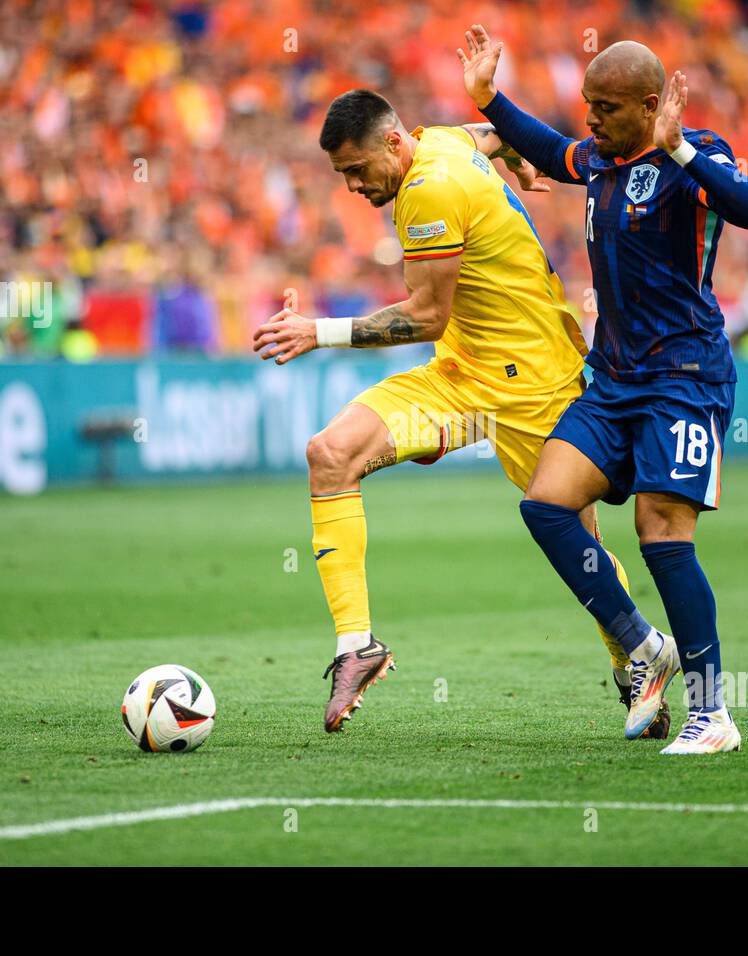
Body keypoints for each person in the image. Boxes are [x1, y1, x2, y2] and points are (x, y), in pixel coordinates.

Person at [253, 89, 667, 737]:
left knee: (579, 543)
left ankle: (635, 661)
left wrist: (318, 332)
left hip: (534, 384)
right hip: (460, 381)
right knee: (330, 454)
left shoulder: (428, 192)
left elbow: (425, 316)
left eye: (358, 170)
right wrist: (522, 162)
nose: (355, 186)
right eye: (343, 176)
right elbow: (490, 134)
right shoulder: (440, 141)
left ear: (393, 144)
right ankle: (356, 644)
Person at [458, 24, 748, 752]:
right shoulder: (600, 160)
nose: (591, 119)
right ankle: (641, 644)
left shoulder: (696, 157)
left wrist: (681, 147)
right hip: (615, 380)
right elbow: (549, 151)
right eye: (588, 104)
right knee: (545, 506)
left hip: (683, 380)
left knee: (661, 533)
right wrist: (491, 101)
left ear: (652, 103)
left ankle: (711, 713)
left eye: (605, 107)